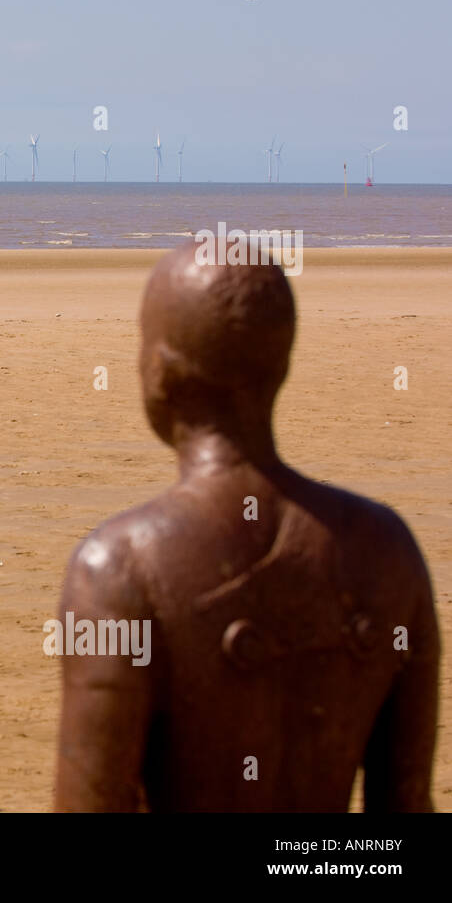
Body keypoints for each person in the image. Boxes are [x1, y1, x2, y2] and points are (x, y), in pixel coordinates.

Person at [53, 240, 439, 812]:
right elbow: (405, 805)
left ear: (158, 371)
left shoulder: (116, 570)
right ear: (280, 365)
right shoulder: (389, 549)